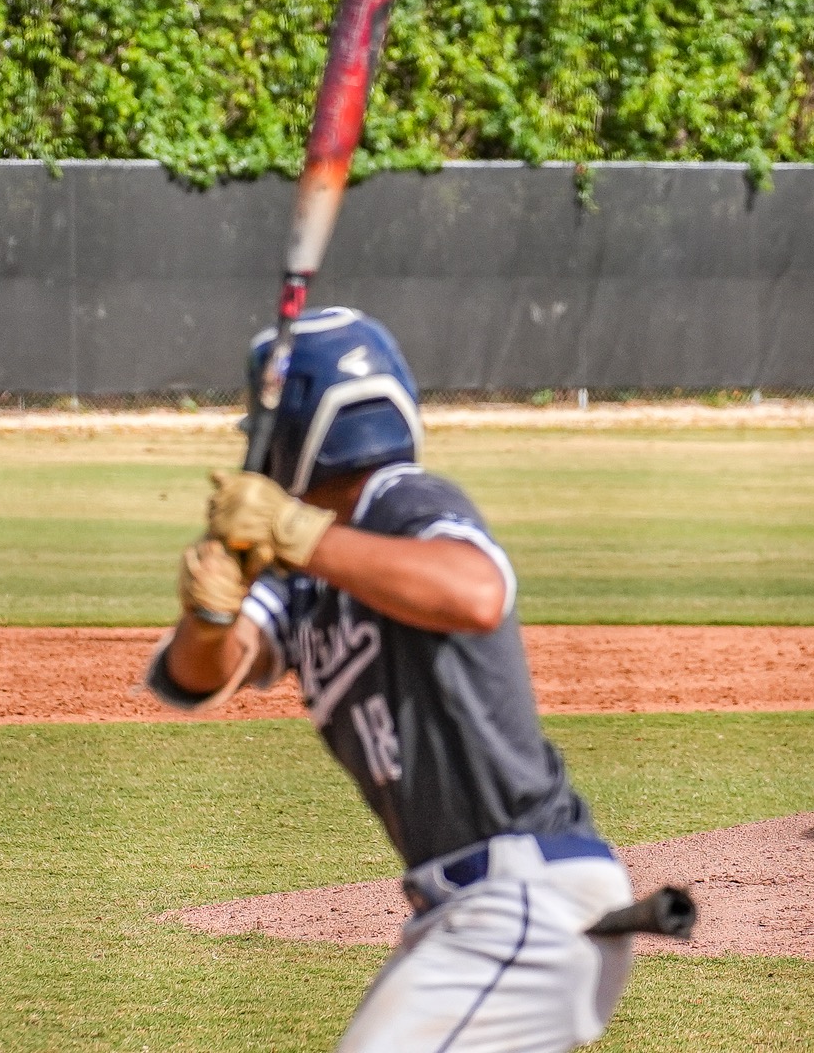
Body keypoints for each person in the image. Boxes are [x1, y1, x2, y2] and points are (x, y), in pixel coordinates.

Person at [146, 307, 634, 1052]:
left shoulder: (403, 501)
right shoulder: (302, 580)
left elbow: (475, 593)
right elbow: (196, 679)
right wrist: (212, 609)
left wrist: (297, 533)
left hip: (526, 898)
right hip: (464, 913)